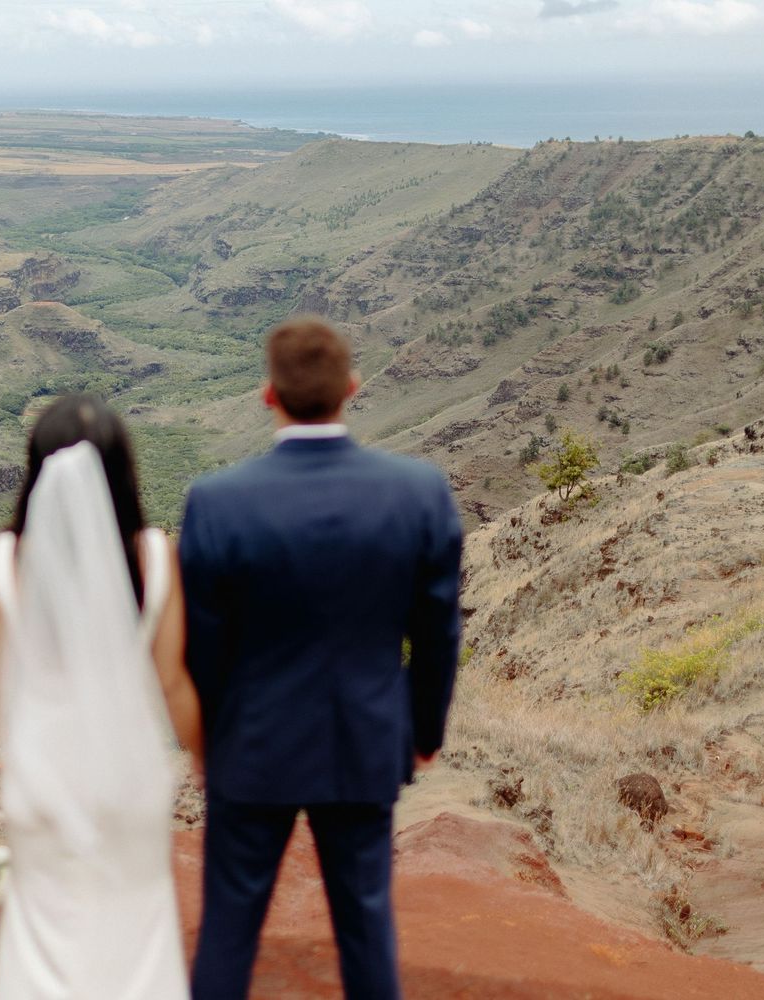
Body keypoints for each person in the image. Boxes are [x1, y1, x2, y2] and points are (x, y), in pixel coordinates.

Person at [180, 316, 464, 1000]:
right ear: (354, 389)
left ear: (267, 395)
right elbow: (437, 632)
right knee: (366, 929)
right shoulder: (418, 492)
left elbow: (202, 642)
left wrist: (205, 740)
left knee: (228, 930)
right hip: (363, 740)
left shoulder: (216, 502)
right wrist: (424, 732)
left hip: (250, 745)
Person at [0, 395, 203, 1000]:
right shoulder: (157, 558)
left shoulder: (4, 562)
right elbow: (173, 684)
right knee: (136, 932)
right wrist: (204, 757)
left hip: (43, 779)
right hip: (126, 778)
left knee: (43, 932)